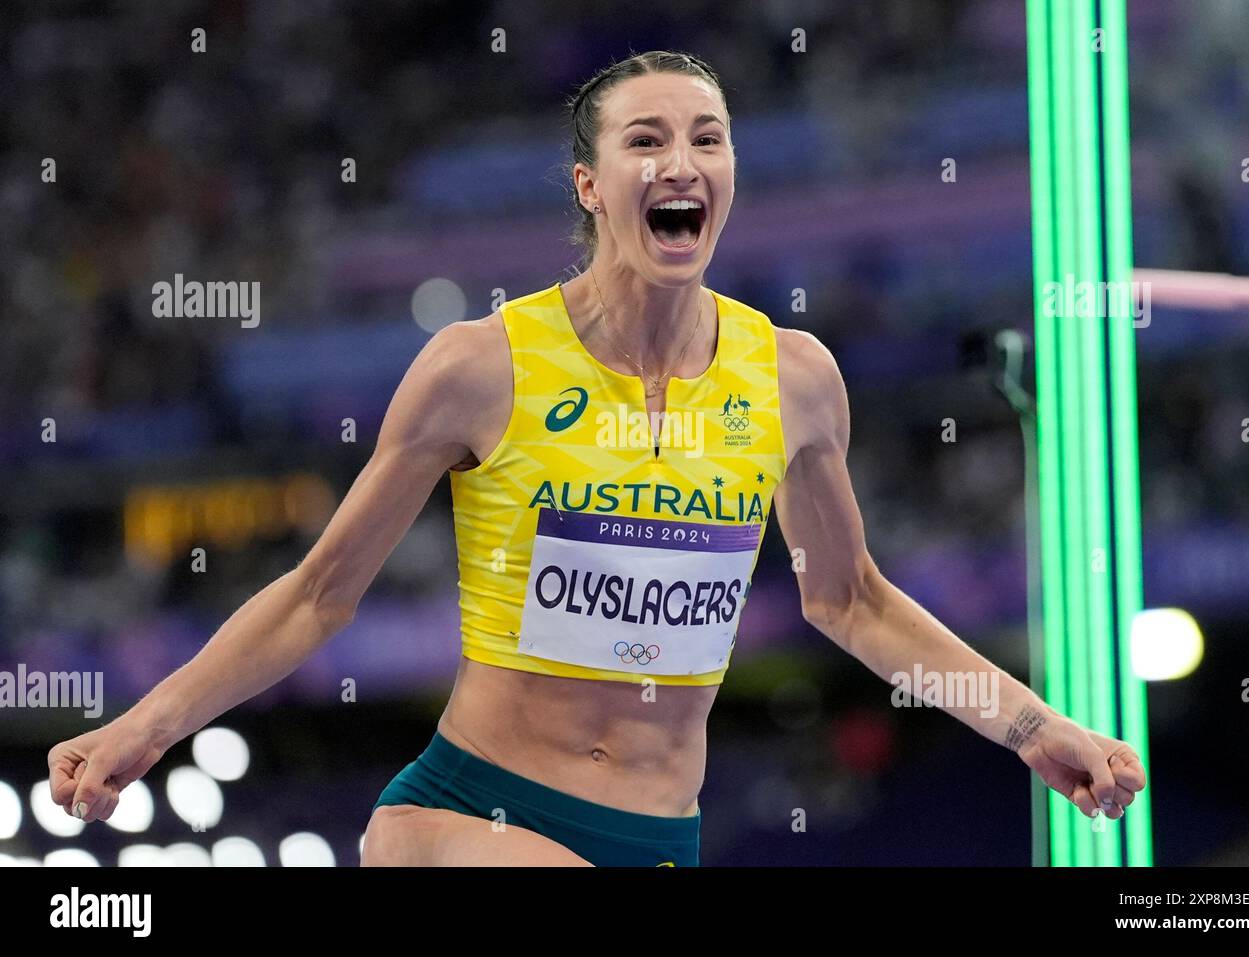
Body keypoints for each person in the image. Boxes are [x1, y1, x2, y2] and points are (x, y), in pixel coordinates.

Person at [47, 50, 1146, 867]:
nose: (682, 161)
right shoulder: (480, 367)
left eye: (707, 138)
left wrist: (1034, 728)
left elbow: (851, 600)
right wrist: (146, 728)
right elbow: (316, 599)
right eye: (646, 140)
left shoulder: (793, 375)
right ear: (589, 184)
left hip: (664, 834)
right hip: (474, 816)